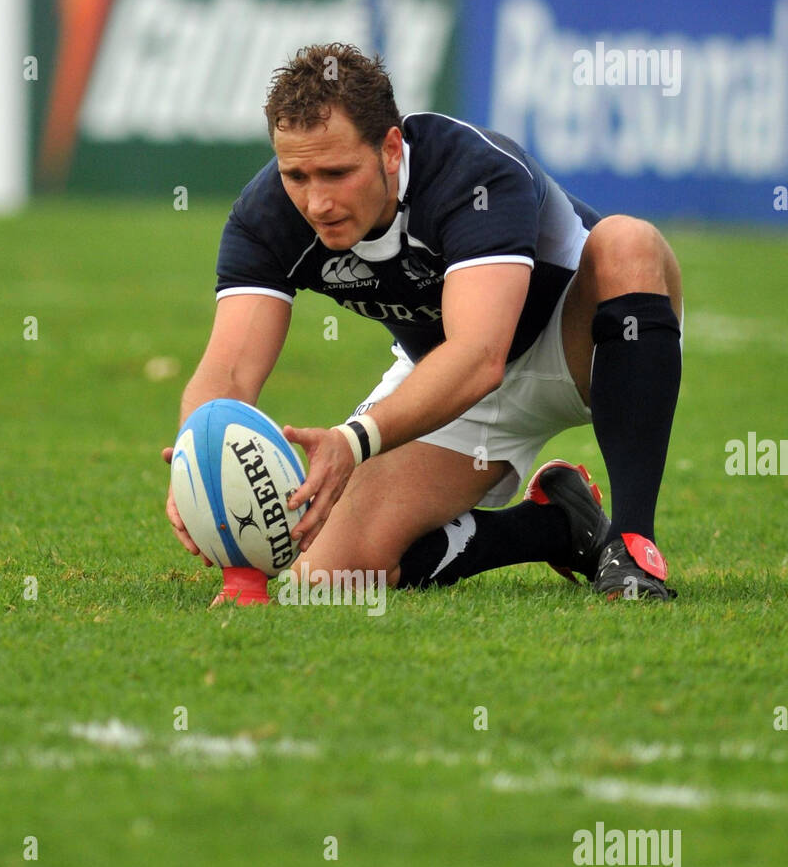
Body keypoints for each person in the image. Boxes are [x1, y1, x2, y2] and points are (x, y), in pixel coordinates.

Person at [164, 42, 683, 603]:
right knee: (329, 574)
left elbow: (481, 354)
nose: (316, 202)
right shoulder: (266, 216)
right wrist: (195, 461)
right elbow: (230, 372)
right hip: (444, 377)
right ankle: (558, 526)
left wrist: (353, 440)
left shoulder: (473, 172)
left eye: (337, 173)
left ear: (391, 150)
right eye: (296, 175)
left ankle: (633, 546)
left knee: (629, 242)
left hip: (577, 344)